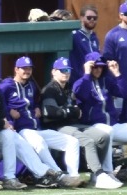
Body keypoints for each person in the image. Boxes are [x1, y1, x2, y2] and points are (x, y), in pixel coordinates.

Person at [2, 57, 64, 188]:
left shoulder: (31, 85)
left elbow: (34, 101)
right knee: (38, 143)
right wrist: (9, 111)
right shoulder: (7, 85)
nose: (27, 71)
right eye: (24, 68)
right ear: (16, 69)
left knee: (71, 141)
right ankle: (54, 173)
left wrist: (36, 107)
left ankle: (55, 174)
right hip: (20, 129)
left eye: (29, 68)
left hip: (36, 128)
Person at [38, 58, 96, 186]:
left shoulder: (68, 88)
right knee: (77, 141)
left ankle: (100, 172)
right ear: (54, 72)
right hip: (52, 128)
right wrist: (70, 111)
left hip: (69, 125)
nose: (66, 73)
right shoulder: (50, 89)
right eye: (62, 70)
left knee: (101, 136)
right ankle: (81, 175)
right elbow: (51, 113)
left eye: (68, 70)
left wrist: (67, 111)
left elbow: (77, 110)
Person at [72, 57, 124, 188]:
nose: (98, 69)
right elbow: (79, 94)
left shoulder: (106, 81)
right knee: (108, 131)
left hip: (112, 123)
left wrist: (117, 74)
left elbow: (124, 93)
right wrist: (87, 74)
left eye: (100, 67)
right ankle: (107, 171)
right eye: (95, 67)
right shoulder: (82, 82)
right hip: (92, 124)